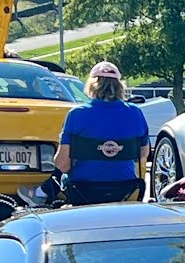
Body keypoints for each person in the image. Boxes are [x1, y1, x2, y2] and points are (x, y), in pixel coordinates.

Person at [20, 61, 149, 206]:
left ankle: (39, 194)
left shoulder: (77, 114)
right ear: (119, 86)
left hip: (83, 188)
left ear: (92, 85)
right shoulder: (135, 113)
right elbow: (143, 154)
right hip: (125, 187)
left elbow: (63, 164)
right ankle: (40, 193)